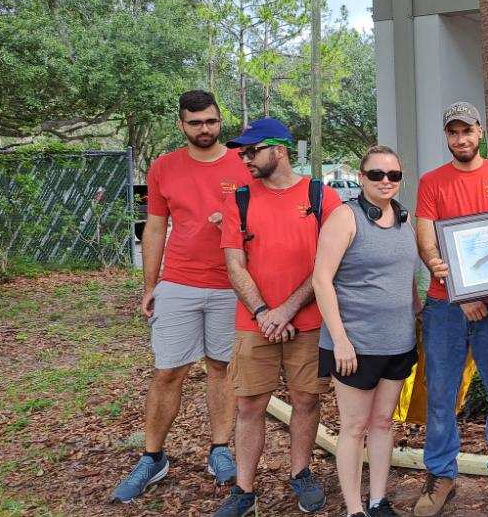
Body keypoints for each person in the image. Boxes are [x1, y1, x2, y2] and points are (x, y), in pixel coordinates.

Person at [112, 91, 252, 503]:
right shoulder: (164, 167)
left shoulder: (242, 164)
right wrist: (149, 285)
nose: (204, 129)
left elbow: (261, 221)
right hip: (179, 282)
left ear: (219, 120)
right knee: (168, 371)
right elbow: (154, 228)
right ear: (182, 125)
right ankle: (153, 456)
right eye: (195, 123)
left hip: (231, 284)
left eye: (210, 121)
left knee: (222, 367)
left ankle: (220, 449)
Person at [211, 118, 341, 517]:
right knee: (249, 405)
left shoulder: (322, 196)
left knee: (305, 399)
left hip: (308, 322)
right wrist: (266, 312)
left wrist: (287, 309)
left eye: (252, 150)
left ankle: (300, 472)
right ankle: (244, 490)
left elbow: (328, 261)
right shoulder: (240, 200)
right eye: (242, 152)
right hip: (255, 324)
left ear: (279, 150)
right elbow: (235, 265)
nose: (244, 158)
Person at [414, 102, 488, 517]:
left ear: (480, 132)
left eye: (467, 131)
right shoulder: (432, 182)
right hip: (445, 306)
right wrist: (463, 293)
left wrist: (485, 291)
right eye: (453, 132)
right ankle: (441, 475)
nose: (460, 139)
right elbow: (428, 243)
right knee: (441, 395)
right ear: (447, 136)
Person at [313, 145, 421, 517]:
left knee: (382, 423)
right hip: (355, 345)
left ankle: (377, 500)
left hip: (398, 342)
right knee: (354, 426)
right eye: (376, 174)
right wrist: (340, 339)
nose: (385, 181)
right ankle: (354, 509)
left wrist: (416, 310)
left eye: (393, 175)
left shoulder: (406, 220)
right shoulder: (346, 218)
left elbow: (405, 275)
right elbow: (321, 280)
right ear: (362, 178)